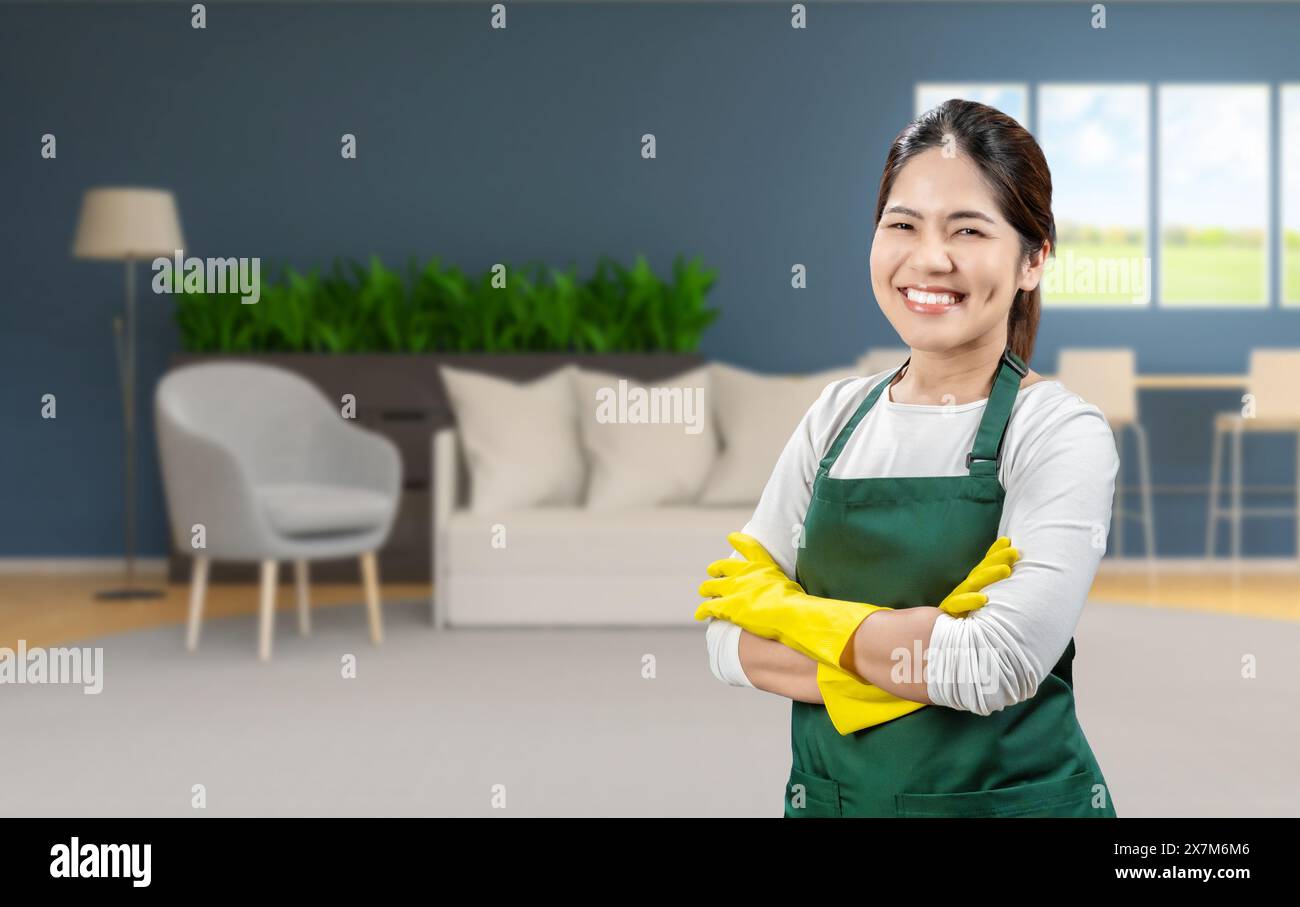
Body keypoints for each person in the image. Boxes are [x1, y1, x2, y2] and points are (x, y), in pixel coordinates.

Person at [697, 98, 1120, 818]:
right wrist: (930, 638)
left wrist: (799, 615)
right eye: (902, 224)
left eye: (968, 229)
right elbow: (726, 641)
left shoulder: (1058, 431)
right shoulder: (835, 417)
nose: (930, 258)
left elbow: (997, 665)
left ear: (1033, 258)